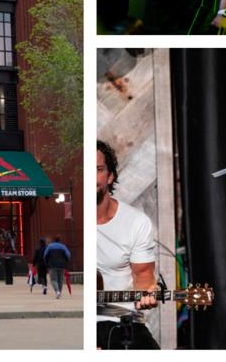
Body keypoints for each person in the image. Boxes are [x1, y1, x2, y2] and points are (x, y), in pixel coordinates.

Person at [96, 140, 160, 349]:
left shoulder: (135, 222)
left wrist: (148, 294)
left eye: (97, 170)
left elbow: (143, 279)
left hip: (119, 319)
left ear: (110, 176)